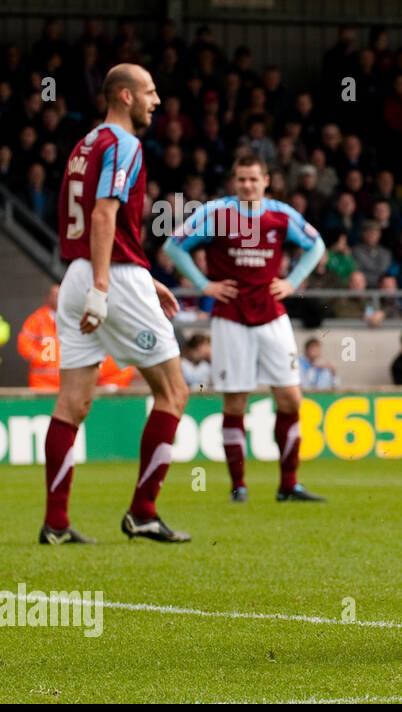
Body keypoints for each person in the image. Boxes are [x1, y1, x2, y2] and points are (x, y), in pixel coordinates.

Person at [43, 63, 192, 544]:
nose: (157, 100)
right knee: (173, 393)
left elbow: (101, 222)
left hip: (78, 275)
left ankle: (57, 524)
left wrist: (141, 278)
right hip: (110, 279)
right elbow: (105, 216)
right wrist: (108, 286)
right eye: (150, 92)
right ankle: (143, 512)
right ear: (125, 96)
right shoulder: (124, 144)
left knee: (73, 403)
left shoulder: (86, 144)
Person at [163, 153, 327, 504]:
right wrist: (202, 284)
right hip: (230, 318)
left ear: (266, 180)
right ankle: (239, 486)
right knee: (235, 401)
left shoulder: (281, 214)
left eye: (254, 179)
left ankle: (288, 485)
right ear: (234, 182)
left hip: (271, 314)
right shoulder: (216, 213)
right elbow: (173, 246)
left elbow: (317, 246)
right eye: (241, 180)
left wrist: (293, 280)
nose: (247, 185)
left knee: (291, 398)